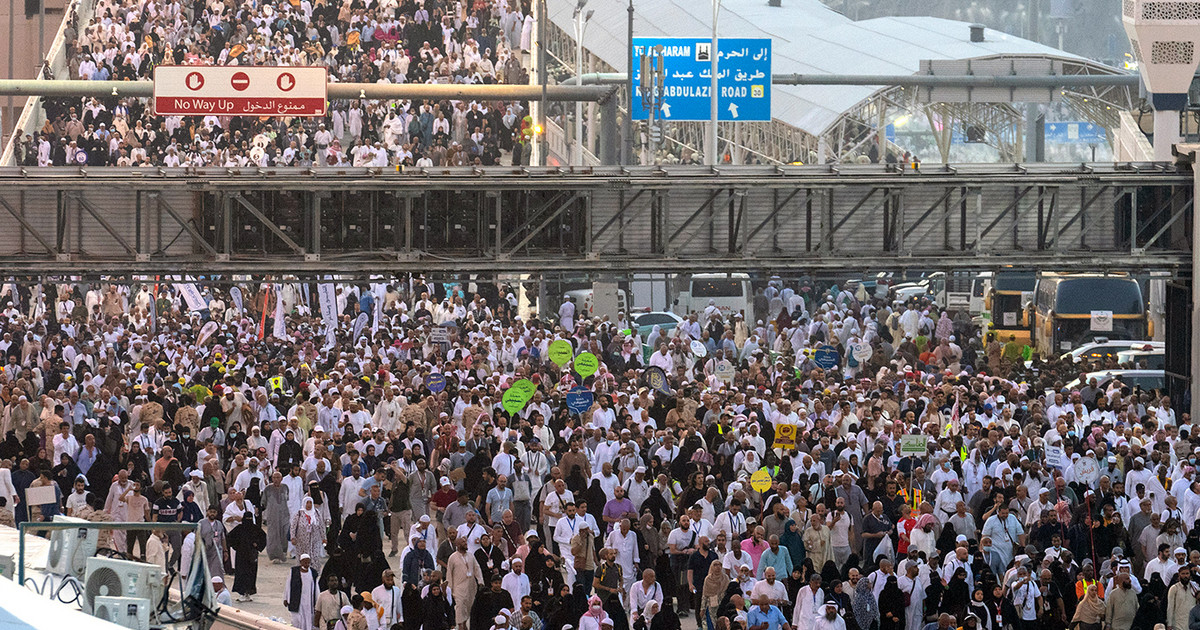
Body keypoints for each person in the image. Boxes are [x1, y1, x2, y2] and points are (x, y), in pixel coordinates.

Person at [227, 510, 266, 602]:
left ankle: (248, 593)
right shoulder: (239, 528)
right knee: (241, 574)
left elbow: (263, 537)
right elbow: (229, 538)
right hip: (241, 556)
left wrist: (257, 546)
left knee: (251, 574)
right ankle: (242, 593)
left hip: (252, 556)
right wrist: (237, 546)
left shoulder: (255, 529)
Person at [286, 554, 321, 630]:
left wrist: (317, 601)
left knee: (308, 619)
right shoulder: (293, 571)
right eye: (305, 562)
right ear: (301, 562)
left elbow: (316, 587)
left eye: (308, 563)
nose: (306, 564)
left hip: (309, 600)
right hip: (297, 599)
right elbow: (288, 585)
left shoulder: (313, 573)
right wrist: (286, 598)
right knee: (297, 620)